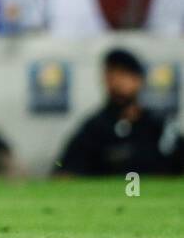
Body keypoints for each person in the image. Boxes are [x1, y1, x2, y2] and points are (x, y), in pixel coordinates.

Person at [56, 49, 182, 177]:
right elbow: (65, 172)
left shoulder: (158, 125)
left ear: (138, 80)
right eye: (111, 75)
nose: (116, 82)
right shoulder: (94, 128)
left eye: (123, 74)